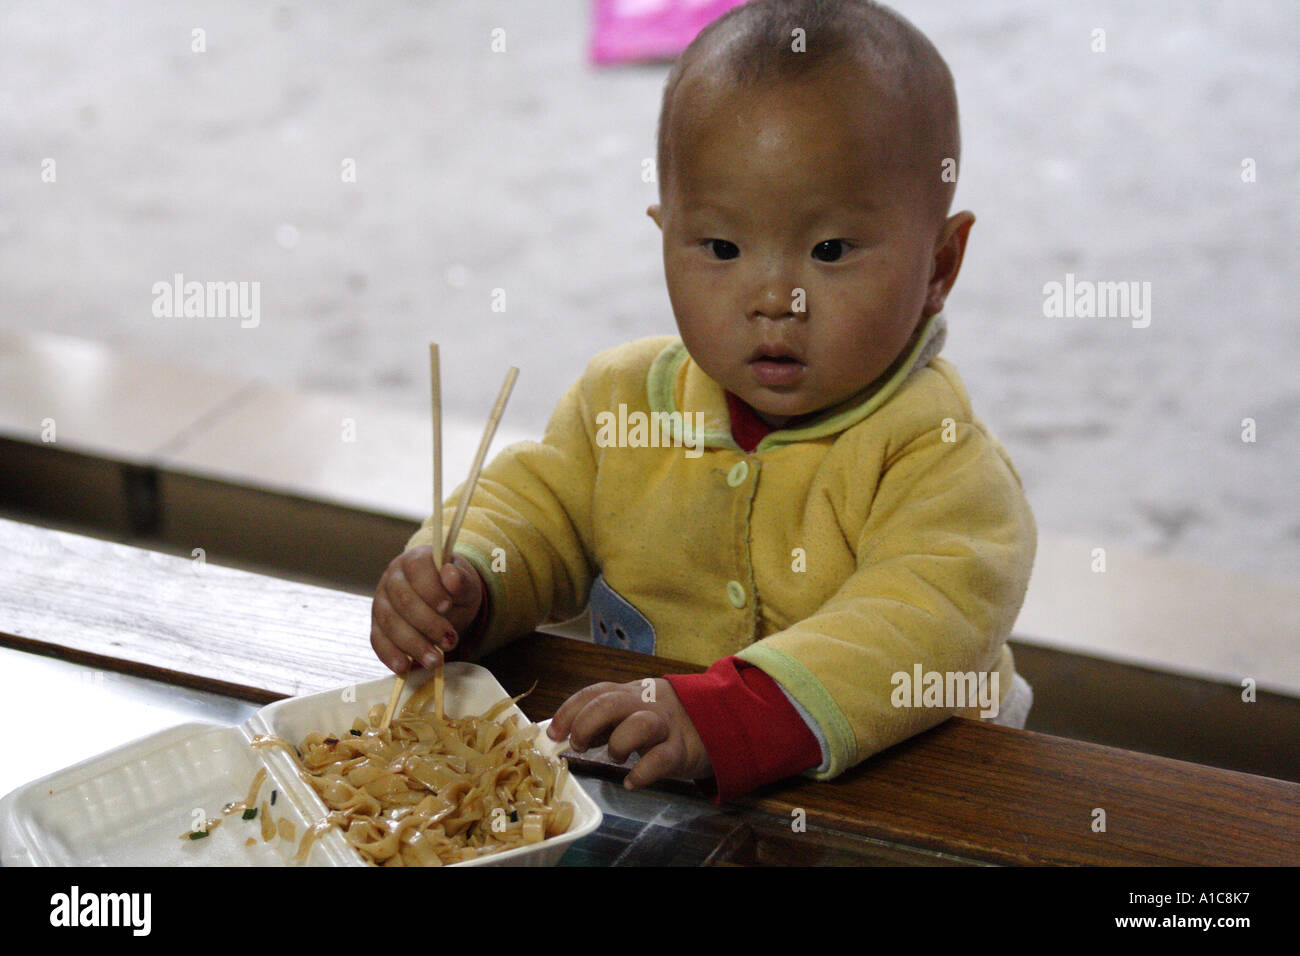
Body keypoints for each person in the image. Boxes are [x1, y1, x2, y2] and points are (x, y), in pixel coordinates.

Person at [370, 0, 1036, 802]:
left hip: (903, 801)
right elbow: (533, 512)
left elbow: (918, 631)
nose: (773, 297)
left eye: (829, 251)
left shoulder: (938, 456)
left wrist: (730, 713)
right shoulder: (622, 402)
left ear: (941, 262)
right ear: (664, 236)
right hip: (656, 783)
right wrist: (463, 582)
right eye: (720, 247)